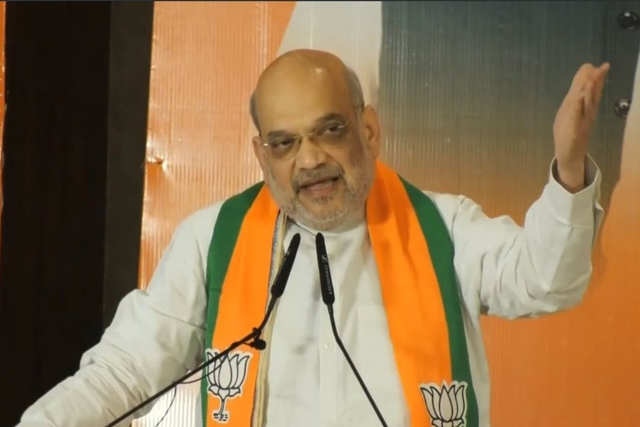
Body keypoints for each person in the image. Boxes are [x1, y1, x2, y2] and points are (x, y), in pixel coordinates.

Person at [18, 49, 609, 427]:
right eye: (284, 142)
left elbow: (546, 281)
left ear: (368, 129)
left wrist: (568, 168)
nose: (310, 160)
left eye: (330, 130)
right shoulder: (211, 239)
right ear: (262, 155)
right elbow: (123, 373)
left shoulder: (444, 228)